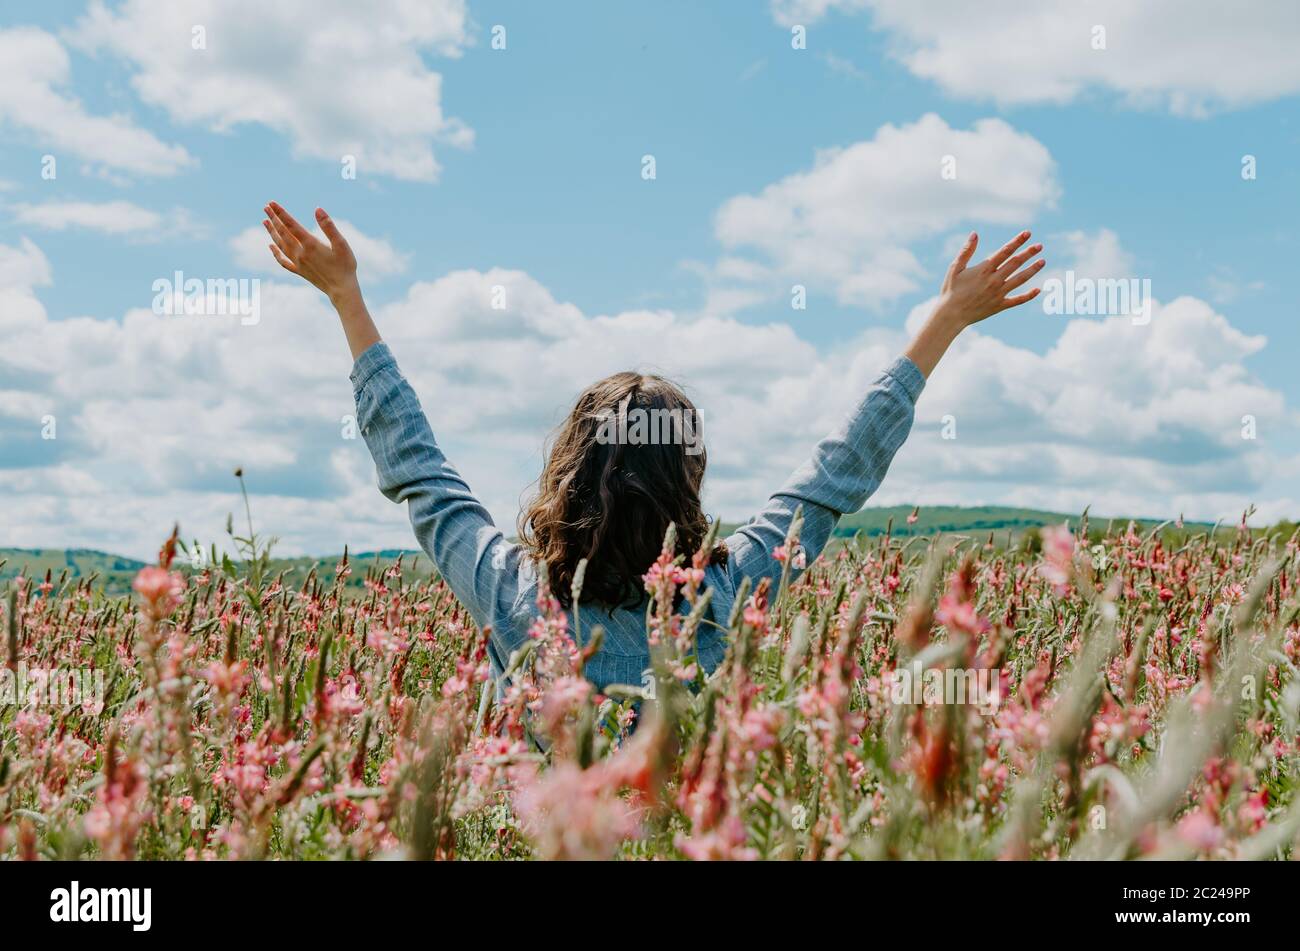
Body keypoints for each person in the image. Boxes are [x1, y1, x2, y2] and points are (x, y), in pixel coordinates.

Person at [261, 202, 1045, 689]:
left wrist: (346, 297)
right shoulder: (725, 593)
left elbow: (419, 472)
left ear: (565, 470)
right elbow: (838, 474)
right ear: (684, 483)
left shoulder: (510, 593)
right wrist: (942, 323)